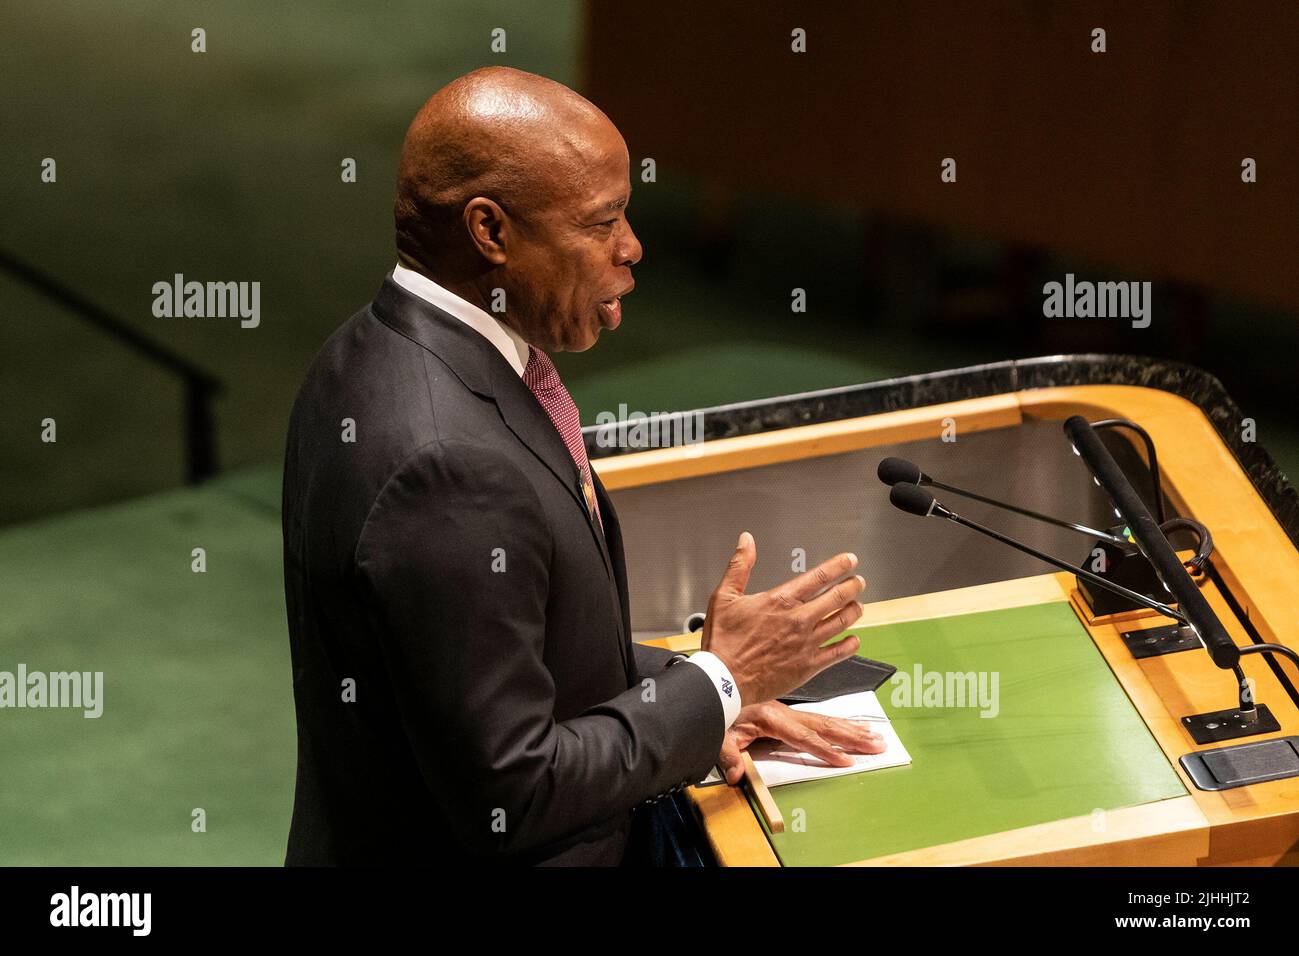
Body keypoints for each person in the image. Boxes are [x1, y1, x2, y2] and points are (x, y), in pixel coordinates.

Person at [281, 66, 881, 866]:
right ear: (490, 231)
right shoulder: (449, 467)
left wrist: (707, 693)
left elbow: (491, 663)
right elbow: (515, 791)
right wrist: (720, 682)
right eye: (602, 222)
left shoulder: (363, 352)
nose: (632, 248)